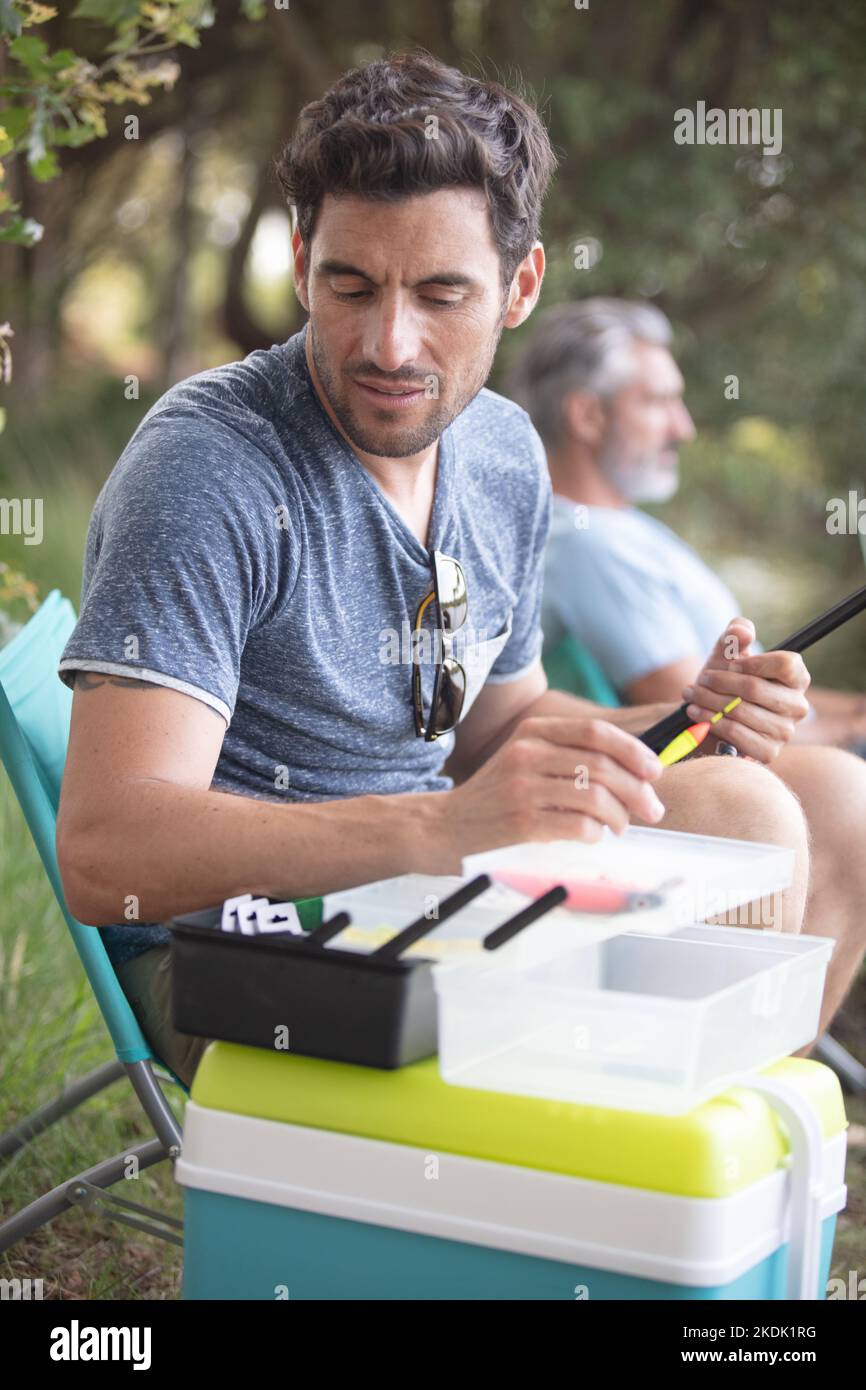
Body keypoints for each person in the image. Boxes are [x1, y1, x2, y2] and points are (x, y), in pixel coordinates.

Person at [57, 54, 866, 1089]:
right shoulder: (209, 467)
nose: (388, 343)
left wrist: (689, 717)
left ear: (519, 286)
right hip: (244, 947)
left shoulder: (500, 451)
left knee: (830, 797)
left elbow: (494, 721)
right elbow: (106, 853)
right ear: (302, 260)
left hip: (425, 885)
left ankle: (703, 1186)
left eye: (442, 293)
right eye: (349, 286)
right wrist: (437, 825)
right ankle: (632, 1195)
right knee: (743, 818)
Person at [506, 296, 866, 746]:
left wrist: (855, 711)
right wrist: (852, 728)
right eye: (660, 403)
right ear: (588, 415)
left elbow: (757, 697)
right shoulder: (585, 545)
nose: (684, 428)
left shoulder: (623, 528)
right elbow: (707, 727)